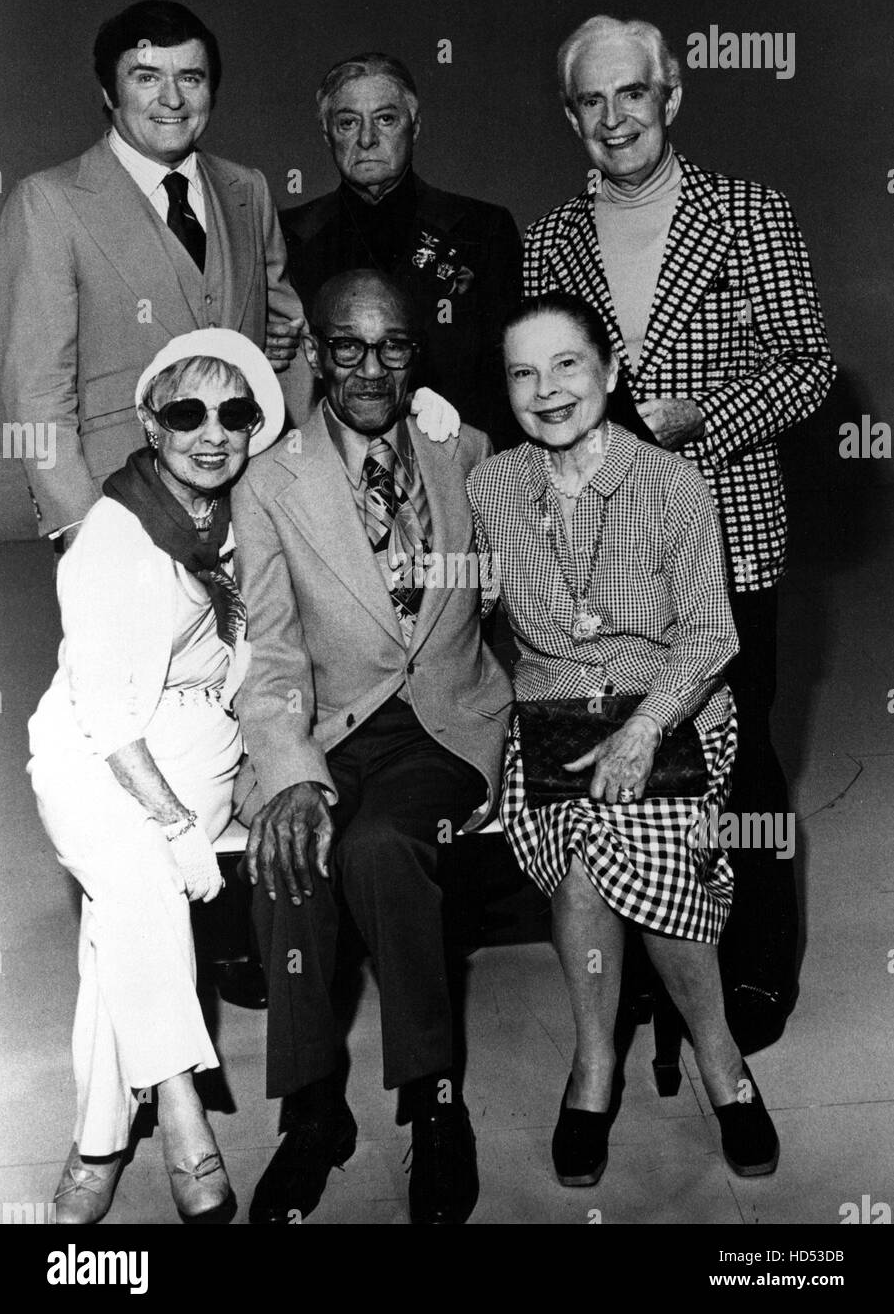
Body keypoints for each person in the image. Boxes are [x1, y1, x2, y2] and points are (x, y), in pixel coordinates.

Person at [522, 15, 836, 1049]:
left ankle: (751, 973)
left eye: (633, 94)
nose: (615, 118)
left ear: (672, 96)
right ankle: (657, 970)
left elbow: (810, 365)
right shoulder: (550, 238)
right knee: (634, 760)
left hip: (731, 535)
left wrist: (705, 417)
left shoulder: (748, 214)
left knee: (736, 762)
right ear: (570, 117)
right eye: (591, 102)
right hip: (604, 555)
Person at [467, 294, 780, 1187]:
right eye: (523, 373)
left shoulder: (672, 481)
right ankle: (595, 1064)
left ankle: (720, 1058)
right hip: (556, 712)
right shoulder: (491, 487)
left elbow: (713, 635)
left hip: (669, 709)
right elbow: (468, 614)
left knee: (652, 841)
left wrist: (645, 728)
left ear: (609, 370)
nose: (547, 389)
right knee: (579, 846)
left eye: (567, 364)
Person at [230, 269, 514, 1225]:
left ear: (413, 354)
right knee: (289, 847)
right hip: (326, 723)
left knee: (381, 845)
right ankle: (312, 1112)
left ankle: (434, 1102)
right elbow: (271, 653)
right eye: (345, 346)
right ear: (313, 351)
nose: (367, 367)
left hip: (440, 723)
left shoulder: (464, 450)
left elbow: (526, 586)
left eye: (391, 345)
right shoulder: (269, 481)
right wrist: (290, 776)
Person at [27, 329, 286, 1224]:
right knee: (139, 887)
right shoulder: (114, 537)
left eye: (234, 414)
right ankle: (180, 1108)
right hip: (97, 744)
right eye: (186, 413)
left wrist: (441, 424)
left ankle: (98, 1140)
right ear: (148, 420)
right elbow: (102, 713)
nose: (211, 435)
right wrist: (177, 827)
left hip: (193, 739)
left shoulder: (239, 509)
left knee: (116, 918)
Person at [0, 0, 305, 553]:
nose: (172, 99)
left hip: (250, 514)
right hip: (119, 514)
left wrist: (294, 486)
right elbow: (36, 395)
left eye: (191, 77)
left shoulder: (248, 190)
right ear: (109, 94)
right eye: (146, 77)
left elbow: (290, 342)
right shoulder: (48, 201)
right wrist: (81, 529)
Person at [280, 52, 524, 446]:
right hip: (332, 467)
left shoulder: (483, 229)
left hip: (454, 459)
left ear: (415, 126)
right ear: (328, 135)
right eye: (347, 122)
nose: (366, 138)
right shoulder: (288, 235)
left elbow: (510, 370)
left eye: (385, 118)